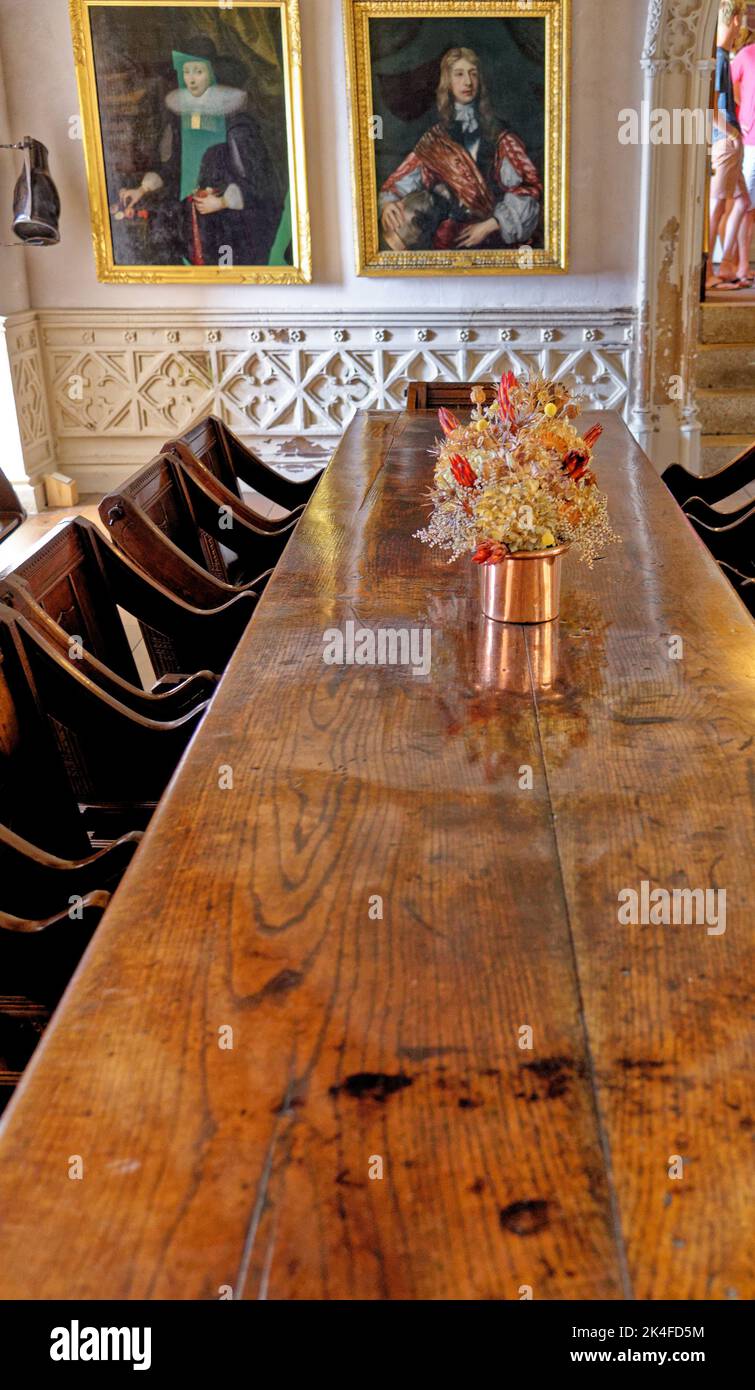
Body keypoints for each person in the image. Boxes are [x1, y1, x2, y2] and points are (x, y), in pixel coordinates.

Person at [116, 35, 287, 268]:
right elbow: (171, 167)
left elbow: (259, 184)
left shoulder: (238, 126)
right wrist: (142, 189)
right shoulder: (180, 121)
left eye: (198, 71)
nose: (192, 79)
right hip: (193, 221)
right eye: (187, 71)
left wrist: (224, 202)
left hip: (232, 226)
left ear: (212, 73)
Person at [379, 47, 541, 253]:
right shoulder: (434, 140)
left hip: (493, 241)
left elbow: (528, 188)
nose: (468, 82)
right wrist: (387, 205)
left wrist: (491, 224)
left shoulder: (500, 136)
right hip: (446, 244)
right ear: (447, 81)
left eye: (473, 74)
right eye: (459, 74)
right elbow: (400, 184)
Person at [708, 1, 751, 289]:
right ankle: (709, 271)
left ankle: (726, 267)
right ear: (735, 20)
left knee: (743, 202)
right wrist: (733, 134)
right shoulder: (721, 58)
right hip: (726, 140)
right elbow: (709, 108)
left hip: (730, 138)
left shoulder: (723, 56)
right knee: (717, 203)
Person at [731, 30, 755, 283]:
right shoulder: (746, 55)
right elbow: (725, 88)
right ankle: (741, 267)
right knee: (747, 207)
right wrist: (739, 119)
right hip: (752, 143)